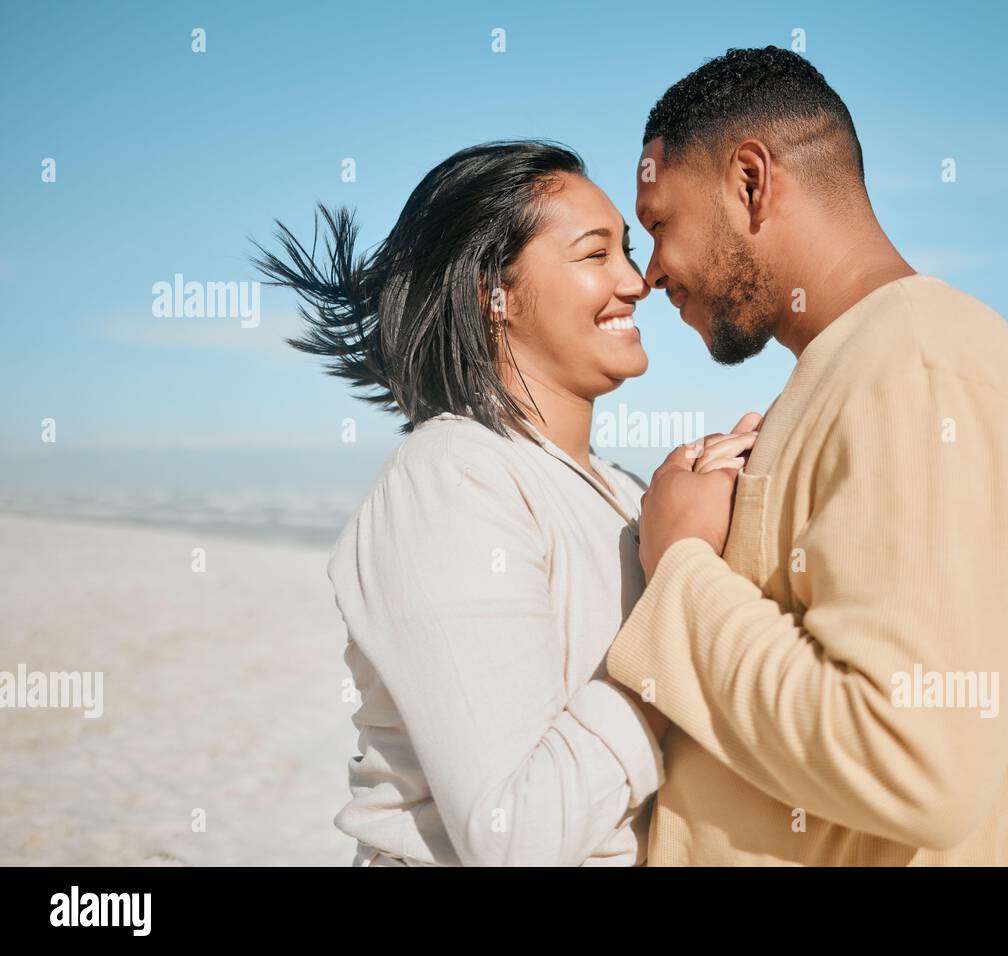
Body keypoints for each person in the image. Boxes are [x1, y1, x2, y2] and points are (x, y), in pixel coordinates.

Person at [607, 47, 1008, 866]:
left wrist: (678, 565)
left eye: (659, 225)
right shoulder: (860, 368)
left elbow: (914, 759)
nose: (649, 277)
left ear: (750, 183)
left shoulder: (918, 366)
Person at [252, 140, 754, 866]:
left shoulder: (623, 492)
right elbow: (512, 836)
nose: (637, 281)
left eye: (630, 250)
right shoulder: (450, 477)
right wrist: (676, 591)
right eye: (594, 254)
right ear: (494, 292)